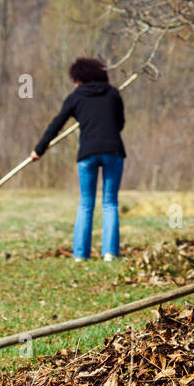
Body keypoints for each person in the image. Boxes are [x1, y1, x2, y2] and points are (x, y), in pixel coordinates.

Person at [31, 57, 126, 262]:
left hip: (88, 153)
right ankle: (109, 253)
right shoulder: (113, 94)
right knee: (110, 203)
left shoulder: (76, 97)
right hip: (113, 151)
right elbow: (120, 124)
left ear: (80, 78)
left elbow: (56, 124)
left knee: (86, 203)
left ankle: (80, 255)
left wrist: (39, 150)